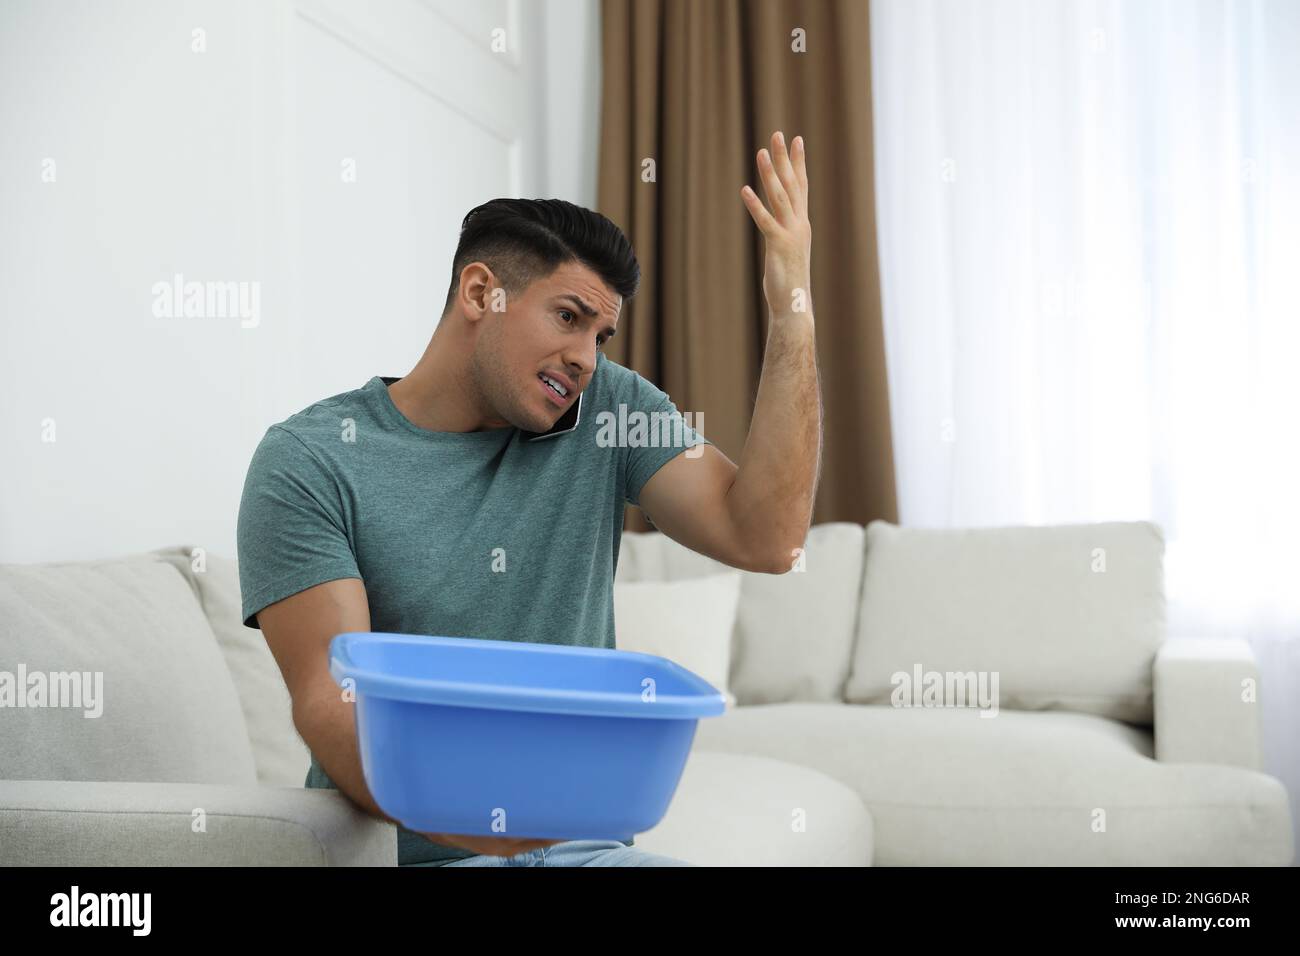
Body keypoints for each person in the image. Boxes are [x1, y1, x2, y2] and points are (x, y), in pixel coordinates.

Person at [237, 133, 819, 868]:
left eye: (601, 334)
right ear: (482, 293)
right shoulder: (310, 461)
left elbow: (767, 539)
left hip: (588, 852)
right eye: (569, 317)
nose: (587, 357)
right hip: (415, 852)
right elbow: (330, 699)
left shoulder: (608, 408)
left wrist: (792, 305)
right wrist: (472, 812)